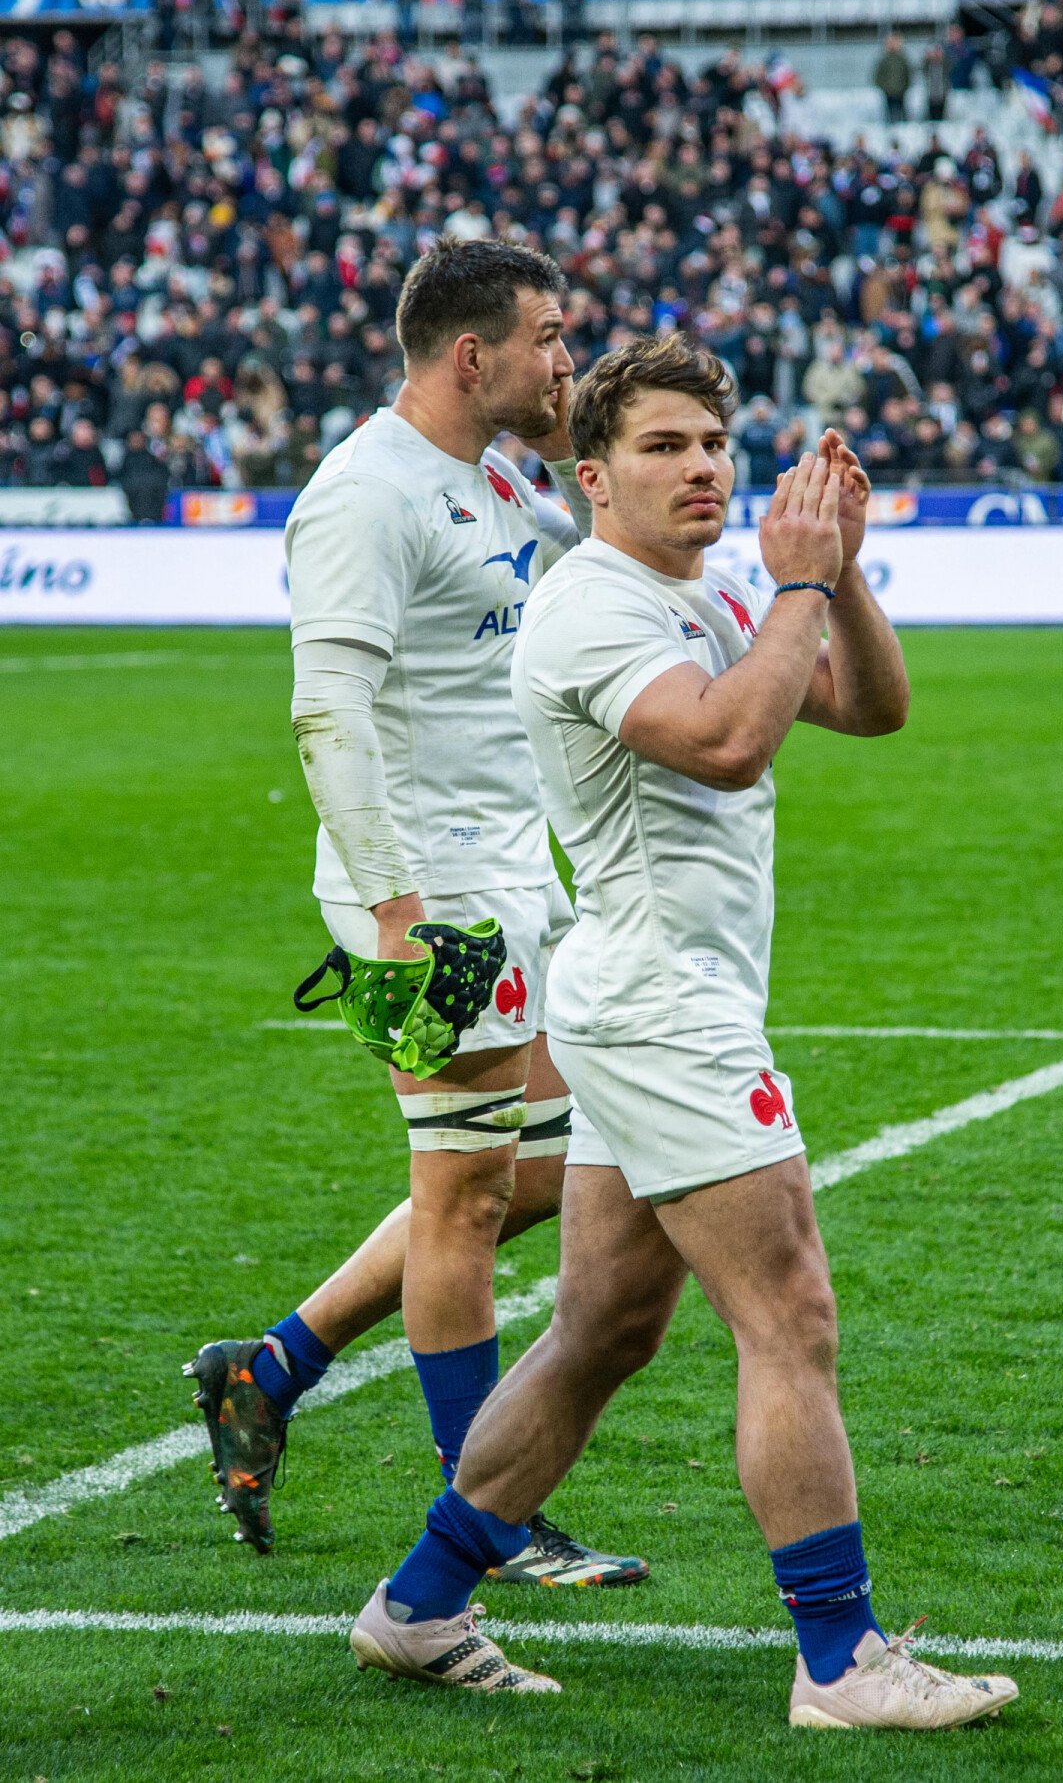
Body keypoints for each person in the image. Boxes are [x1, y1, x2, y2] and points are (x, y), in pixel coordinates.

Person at [348, 336, 1020, 1730]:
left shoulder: (713, 586)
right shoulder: (592, 605)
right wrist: (798, 586)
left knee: (600, 1329)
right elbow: (726, 740)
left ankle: (415, 1608)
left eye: (714, 443)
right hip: (665, 1015)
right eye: (664, 447)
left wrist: (840, 562)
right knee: (792, 1317)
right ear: (592, 476)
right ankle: (838, 1661)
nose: (702, 466)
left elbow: (869, 706)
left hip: (650, 1002)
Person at [184, 239, 648, 1590]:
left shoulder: (492, 472)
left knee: (548, 1171)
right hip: (432, 894)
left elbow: (592, 571)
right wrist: (394, 913)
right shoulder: (363, 495)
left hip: (518, 874)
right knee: (464, 1196)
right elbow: (328, 708)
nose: (567, 358)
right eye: (549, 337)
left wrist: (568, 451)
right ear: (470, 355)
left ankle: (269, 1367)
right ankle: (485, 1514)